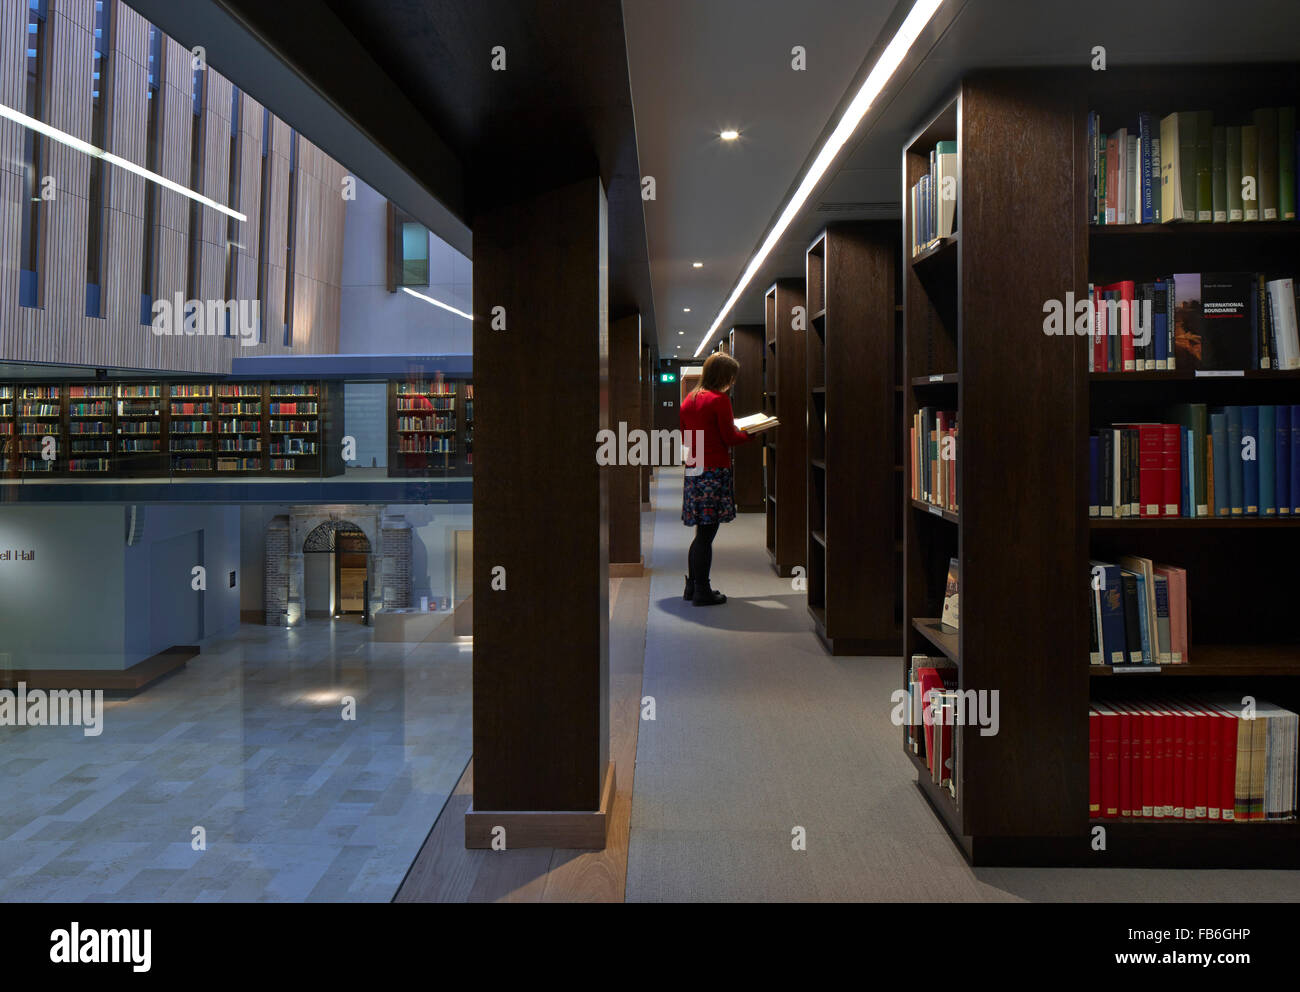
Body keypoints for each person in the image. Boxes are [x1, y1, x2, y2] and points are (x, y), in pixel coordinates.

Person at [678, 351, 752, 606]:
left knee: (701, 533)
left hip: (695, 470)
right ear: (723, 376)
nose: (732, 381)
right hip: (713, 470)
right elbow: (729, 438)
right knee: (706, 535)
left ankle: (691, 586)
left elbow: (687, 436)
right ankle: (702, 591)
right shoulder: (719, 400)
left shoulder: (689, 399)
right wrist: (751, 434)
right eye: (731, 377)